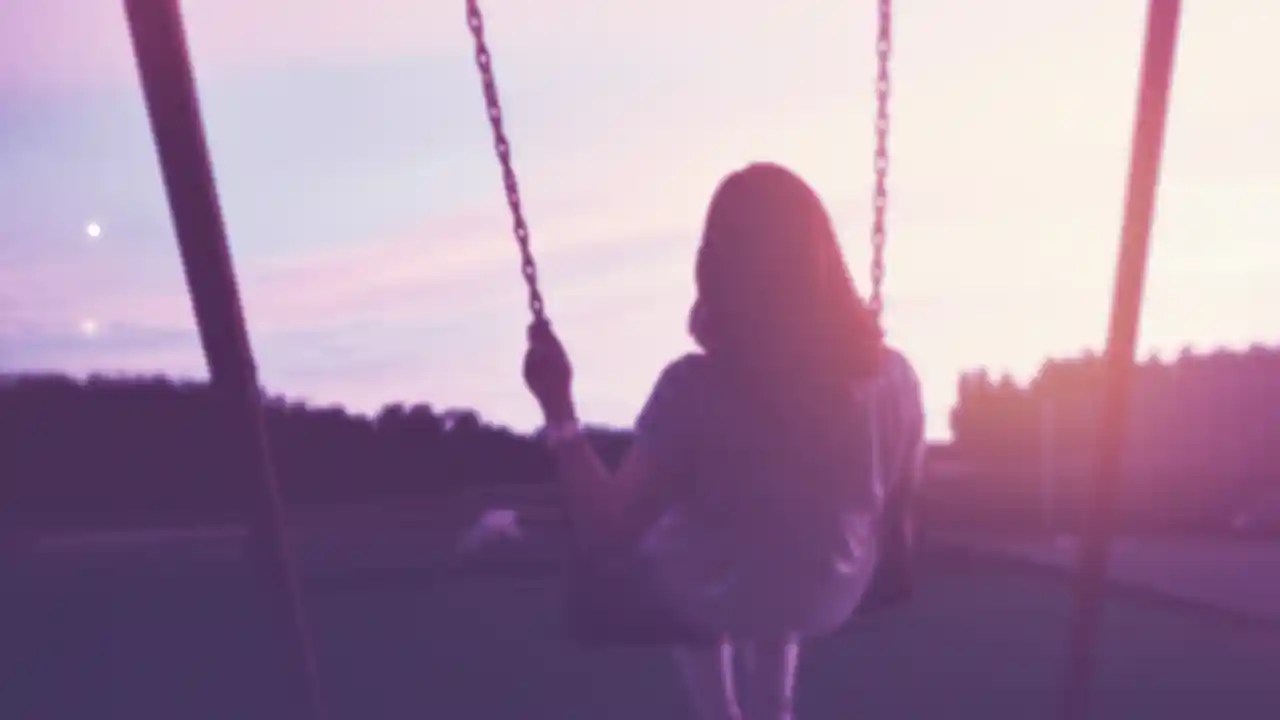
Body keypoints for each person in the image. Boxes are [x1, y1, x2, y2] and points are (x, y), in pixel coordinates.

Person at [523, 163, 925, 720]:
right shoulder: (895, 380)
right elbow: (896, 504)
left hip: (712, 590)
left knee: (677, 539)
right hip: (829, 592)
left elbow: (607, 528)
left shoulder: (692, 391)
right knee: (780, 542)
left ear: (714, 269)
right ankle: (773, 706)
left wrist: (559, 410)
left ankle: (719, 711)